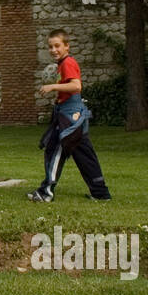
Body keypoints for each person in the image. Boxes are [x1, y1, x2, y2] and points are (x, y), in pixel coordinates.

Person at [26, 29, 112, 203]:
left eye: (57, 46)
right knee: (84, 155)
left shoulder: (67, 63)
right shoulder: (62, 64)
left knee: (54, 151)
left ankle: (46, 193)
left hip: (69, 119)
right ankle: (100, 193)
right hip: (75, 116)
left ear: (67, 46)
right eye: (50, 47)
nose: (53, 50)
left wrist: (52, 87)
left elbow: (76, 86)